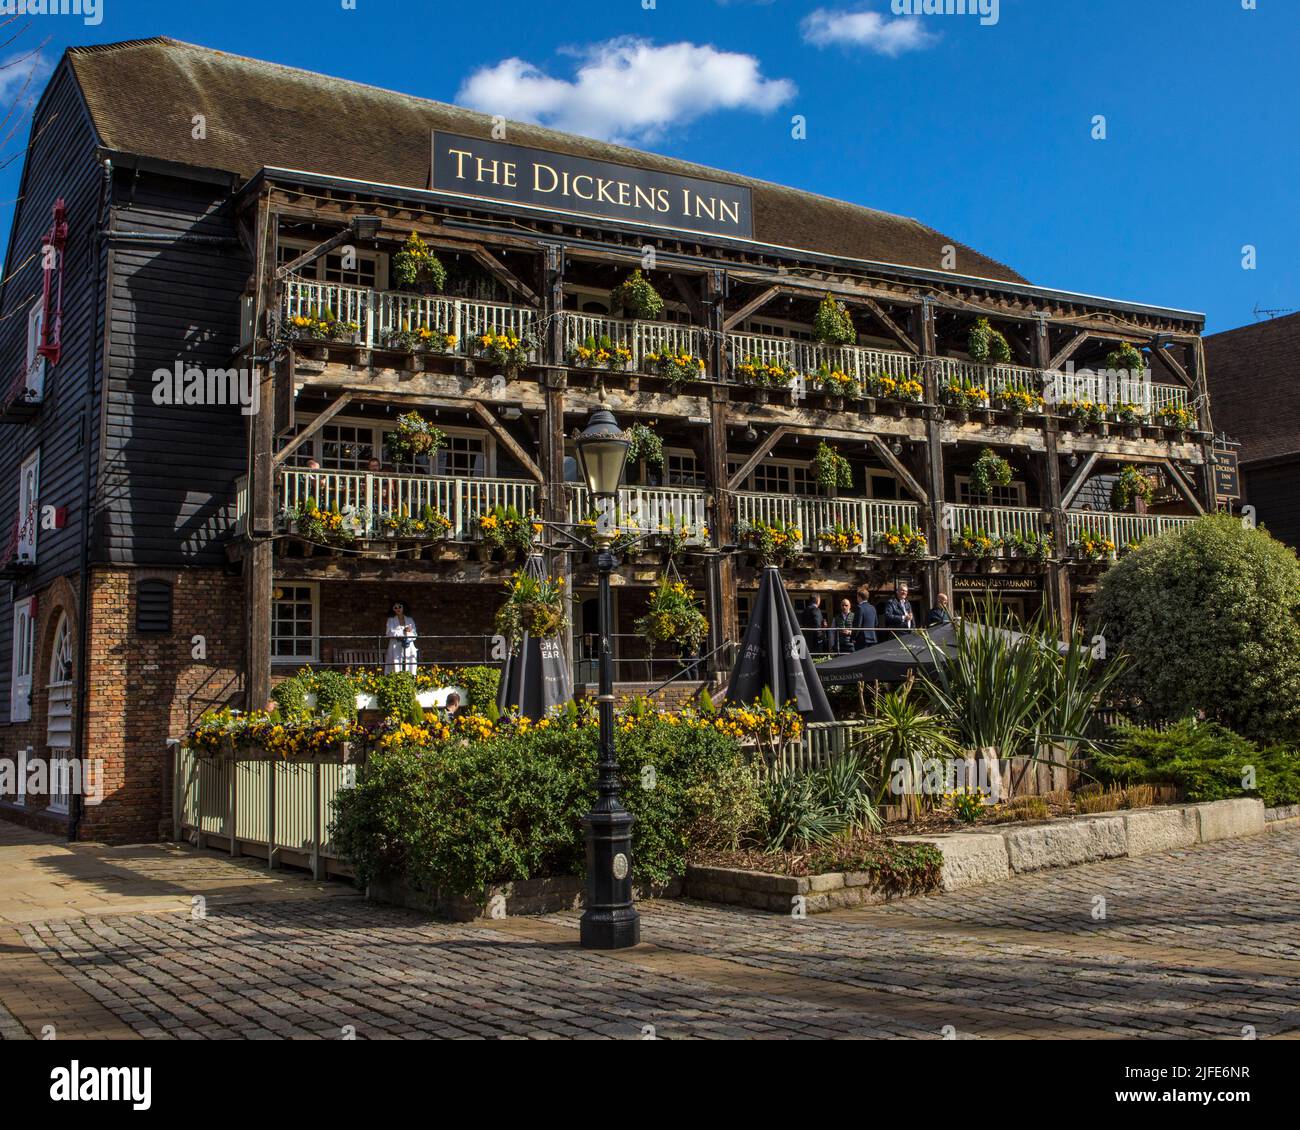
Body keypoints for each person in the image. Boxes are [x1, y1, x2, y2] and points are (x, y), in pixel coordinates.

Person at [384, 599, 418, 673]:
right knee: (395, 665)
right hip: (395, 645)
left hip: (408, 645)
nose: (398, 609)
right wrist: (403, 631)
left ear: (403, 607)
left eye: (399, 607)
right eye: (395, 608)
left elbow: (414, 634)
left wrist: (408, 635)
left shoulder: (410, 620)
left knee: (409, 664)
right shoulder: (391, 620)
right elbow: (389, 633)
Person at [853, 585, 878, 651]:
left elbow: (858, 625)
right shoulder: (873, 608)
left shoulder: (860, 608)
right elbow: (876, 623)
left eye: (857, 597)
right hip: (873, 639)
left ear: (859, 597)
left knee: (861, 660)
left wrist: (853, 637)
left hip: (862, 640)